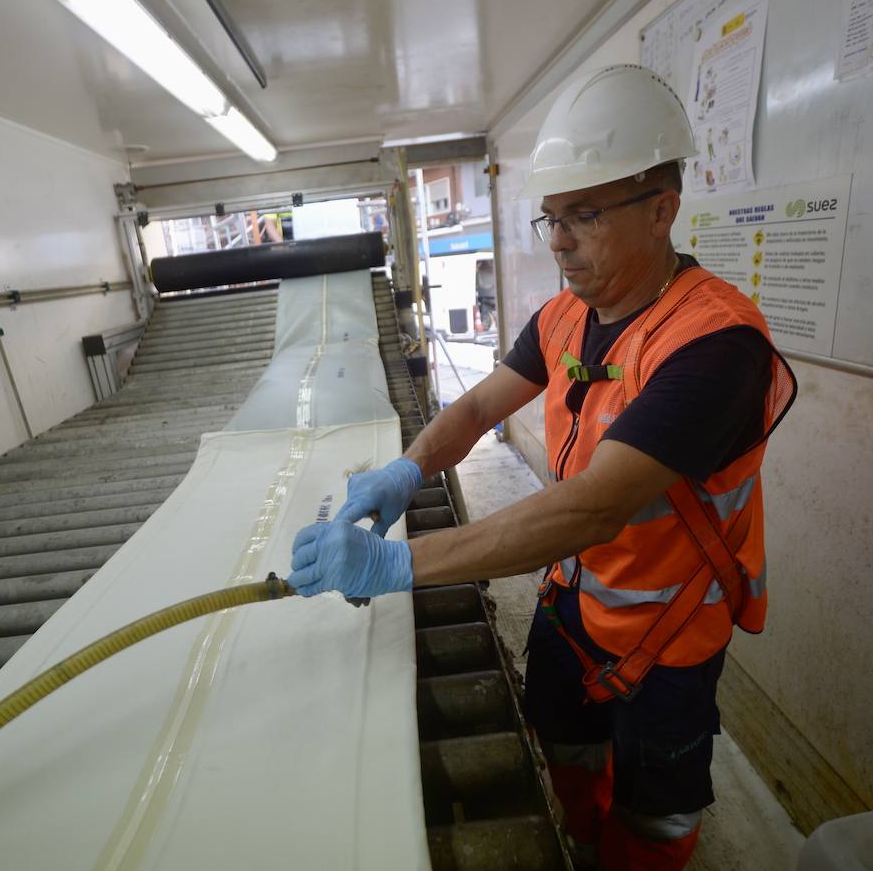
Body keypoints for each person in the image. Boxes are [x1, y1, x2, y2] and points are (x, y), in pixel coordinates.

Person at [288, 65, 796, 869]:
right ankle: (585, 834)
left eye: (584, 216)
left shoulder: (715, 346)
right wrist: (405, 472)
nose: (558, 242)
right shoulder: (566, 314)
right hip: (575, 600)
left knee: (658, 805)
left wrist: (399, 562)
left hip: (667, 635)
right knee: (561, 737)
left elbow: (594, 508)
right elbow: (476, 410)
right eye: (550, 218)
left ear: (662, 210)